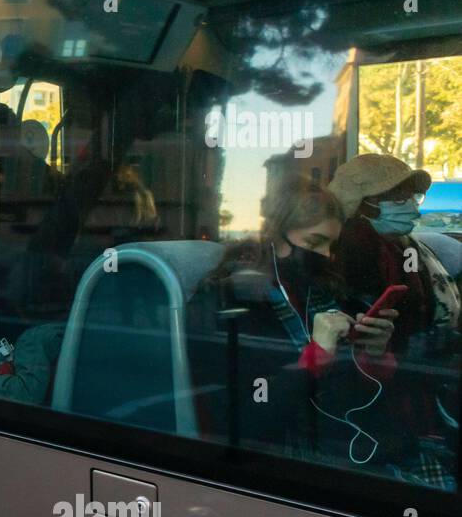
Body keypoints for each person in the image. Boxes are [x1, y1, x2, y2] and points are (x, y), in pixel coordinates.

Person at [192, 182, 401, 472]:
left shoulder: (323, 291)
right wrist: (315, 359)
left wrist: (374, 354)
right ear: (277, 237)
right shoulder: (231, 299)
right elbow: (242, 422)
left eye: (332, 245)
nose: (326, 255)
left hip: (336, 440)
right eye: (315, 243)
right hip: (275, 461)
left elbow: (352, 398)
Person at [328, 153, 459, 489]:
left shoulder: (403, 244)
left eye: (412, 198)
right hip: (403, 394)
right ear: (363, 204)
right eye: (397, 199)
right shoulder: (356, 249)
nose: (413, 209)